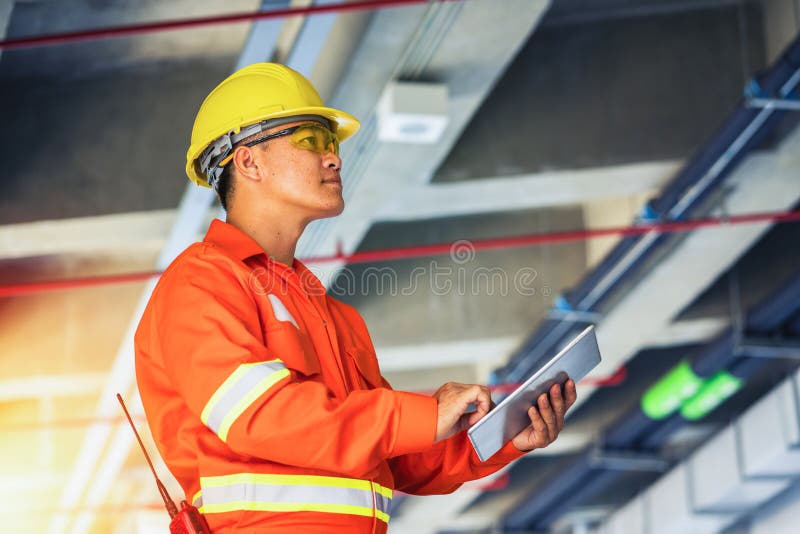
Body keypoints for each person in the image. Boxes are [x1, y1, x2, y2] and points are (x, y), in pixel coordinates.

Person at [134, 63, 577, 534]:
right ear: (248, 162)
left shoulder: (328, 313)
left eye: (333, 144)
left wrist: (505, 437)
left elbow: (395, 455)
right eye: (311, 141)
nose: (334, 159)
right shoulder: (200, 284)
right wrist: (424, 414)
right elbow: (262, 417)